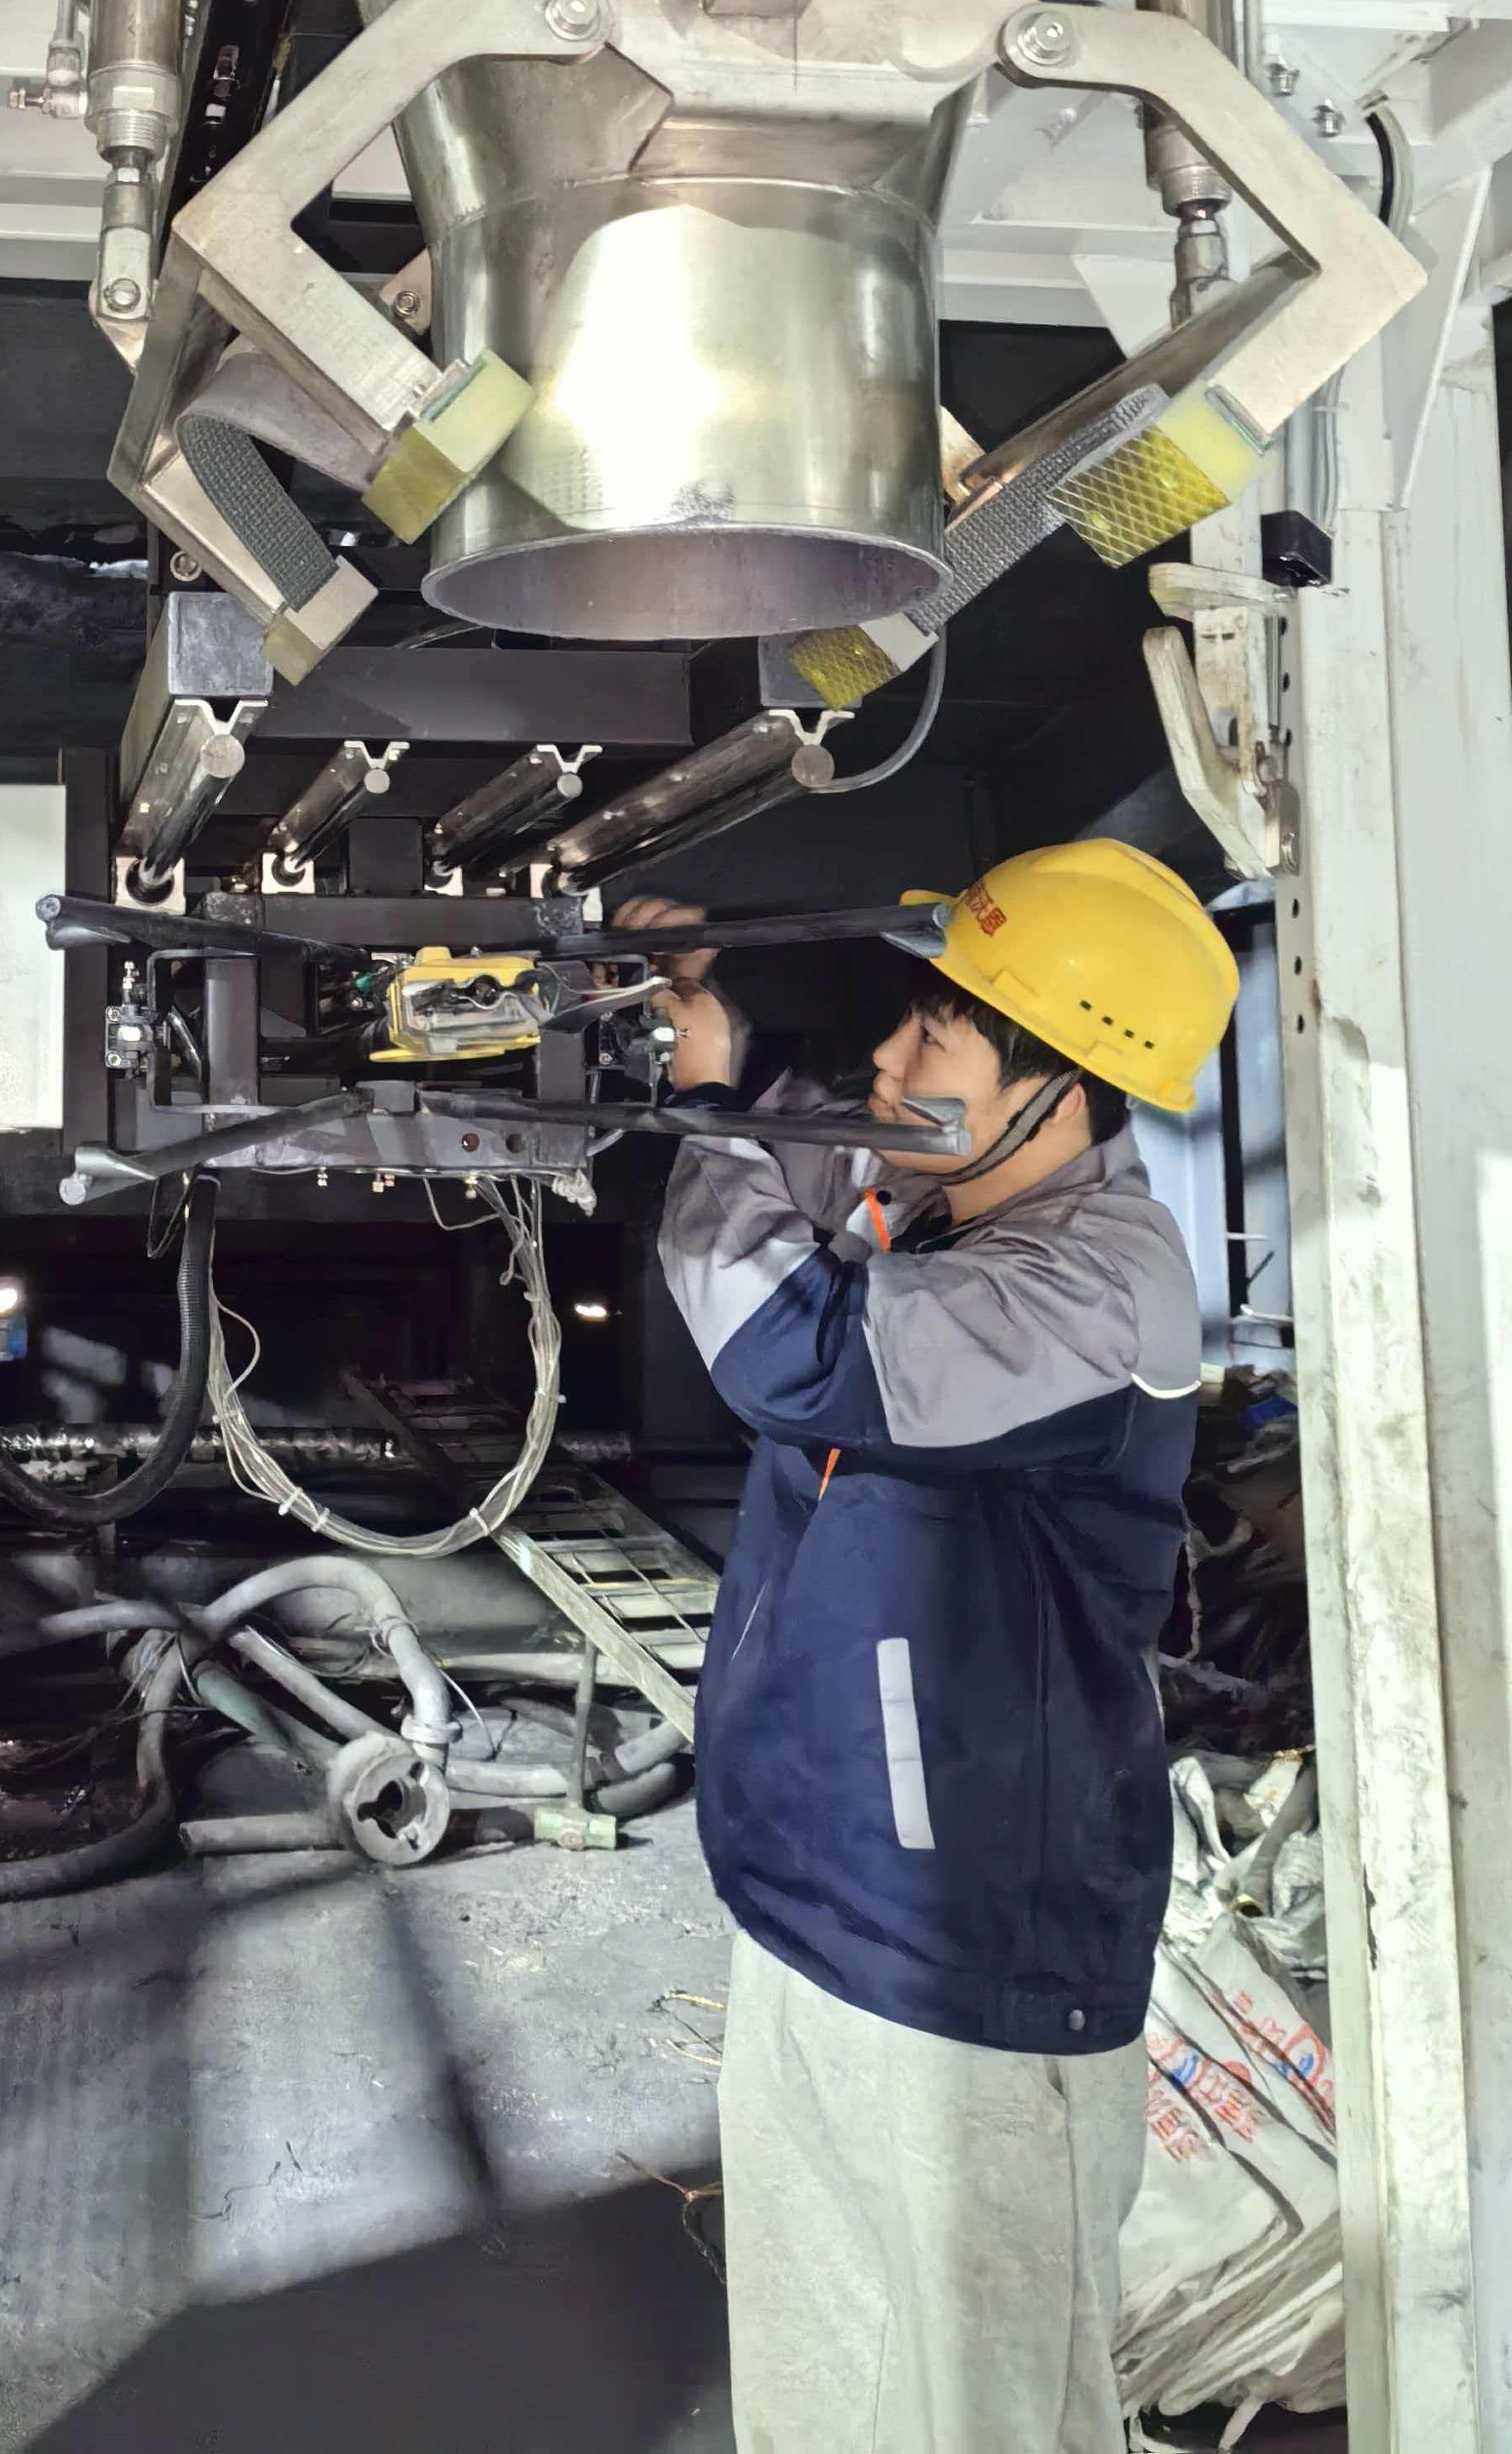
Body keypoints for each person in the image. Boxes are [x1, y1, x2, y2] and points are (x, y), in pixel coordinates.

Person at [614, 839, 1239, 2454]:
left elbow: (796, 1351)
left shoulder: (1097, 1289)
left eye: (938, 1035)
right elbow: (806, 1163)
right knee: (826, 2384)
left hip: (971, 1956)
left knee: (980, 2413)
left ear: (1063, 1087)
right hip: (816, 1899)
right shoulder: (946, 1208)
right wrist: (717, 1024)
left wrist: (706, 1106)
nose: (890, 1058)